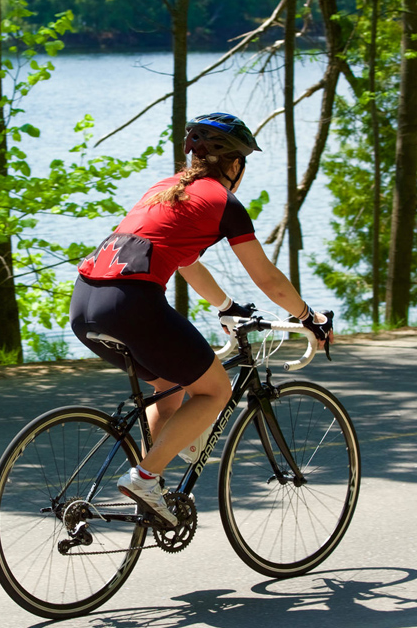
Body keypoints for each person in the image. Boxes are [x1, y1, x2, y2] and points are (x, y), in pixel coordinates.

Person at [69, 112, 333, 527]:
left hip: (84, 303)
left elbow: (187, 262)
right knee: (215, 391)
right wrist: (308, 317)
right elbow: (266, 277)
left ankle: (152, 482)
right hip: (131, 305)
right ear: (233, 164)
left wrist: (226, 306)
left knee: (169, 385)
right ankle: (144, 478)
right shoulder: (222, 202)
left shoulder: (164, 191)